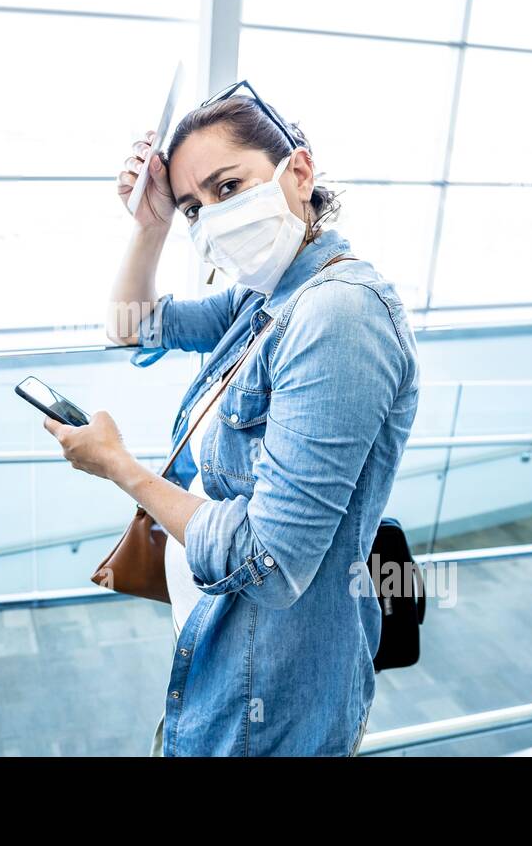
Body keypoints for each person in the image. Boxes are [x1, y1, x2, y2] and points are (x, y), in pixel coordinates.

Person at [42, 85, 419, 756]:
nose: (212, 217)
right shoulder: (266, 297)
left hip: (271, 696)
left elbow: (267, 563)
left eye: (227, 186)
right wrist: (150, 226)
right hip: (221, 651)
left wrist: (120, 469)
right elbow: (133, 328)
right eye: (193, 206)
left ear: (298, 173)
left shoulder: (339, 316)